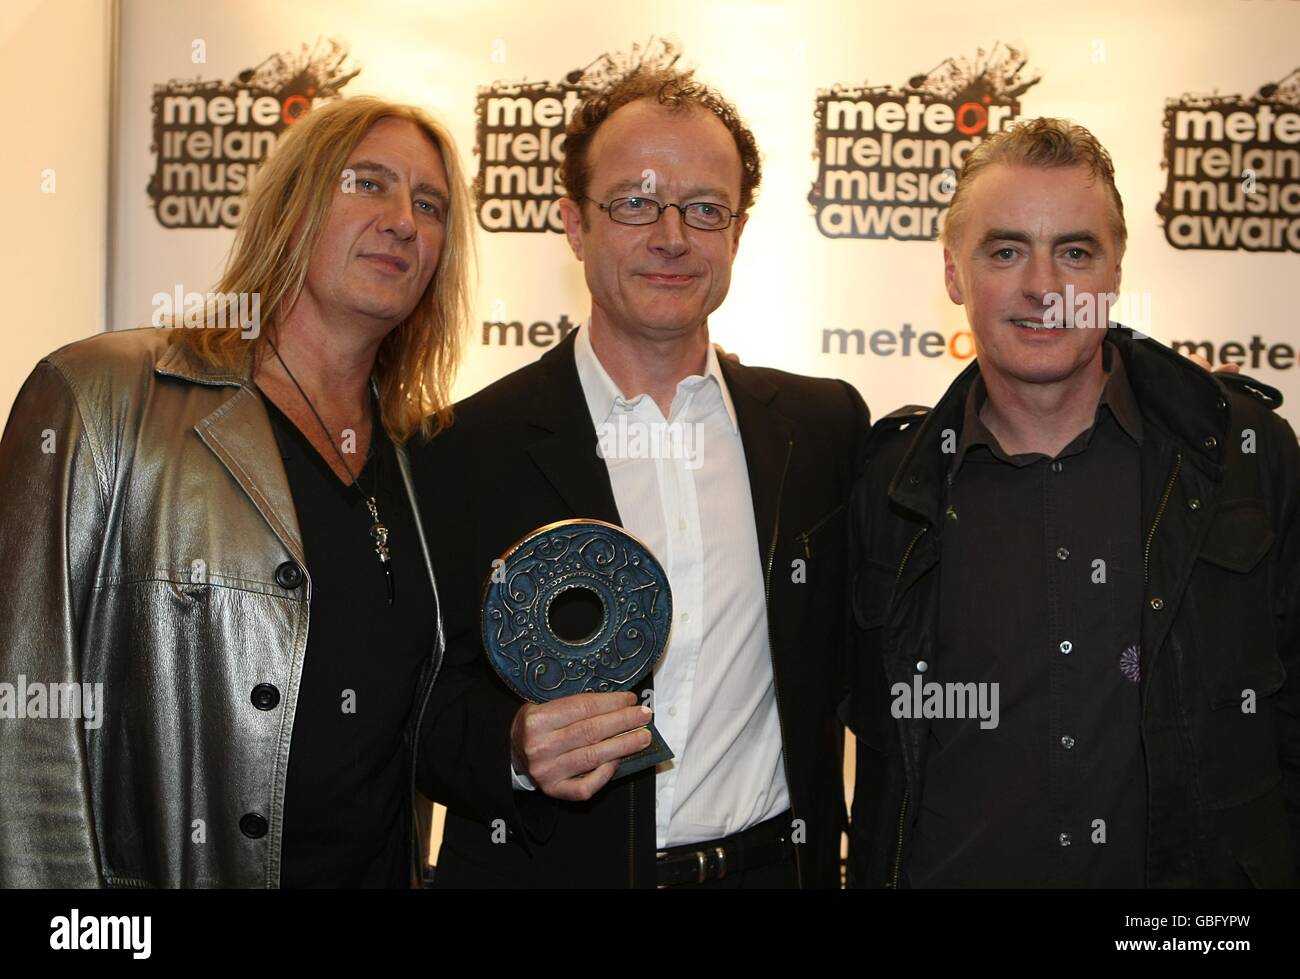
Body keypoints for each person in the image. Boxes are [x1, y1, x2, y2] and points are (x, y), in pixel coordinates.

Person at [0, 95, 475, 887]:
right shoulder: (105, 395)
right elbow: (20, 715)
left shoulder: (422, 456)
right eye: (368, 184)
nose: (403, 220)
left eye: (429, 205)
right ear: (290, 210)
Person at [414, 62, 868, 888]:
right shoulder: (461, 446)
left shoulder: (824, 429)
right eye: (633, 203)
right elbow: (405, 708)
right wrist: (513, 747)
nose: (671, 237)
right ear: (574, 225)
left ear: (736, 232)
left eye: (704, 209)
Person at [845, 117, 1300, 888]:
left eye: (1076, 252)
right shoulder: (889, 487)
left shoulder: (1242, 455)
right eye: (1006, 250)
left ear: (1116, 273)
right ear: (955, 275)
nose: (1044, 289)